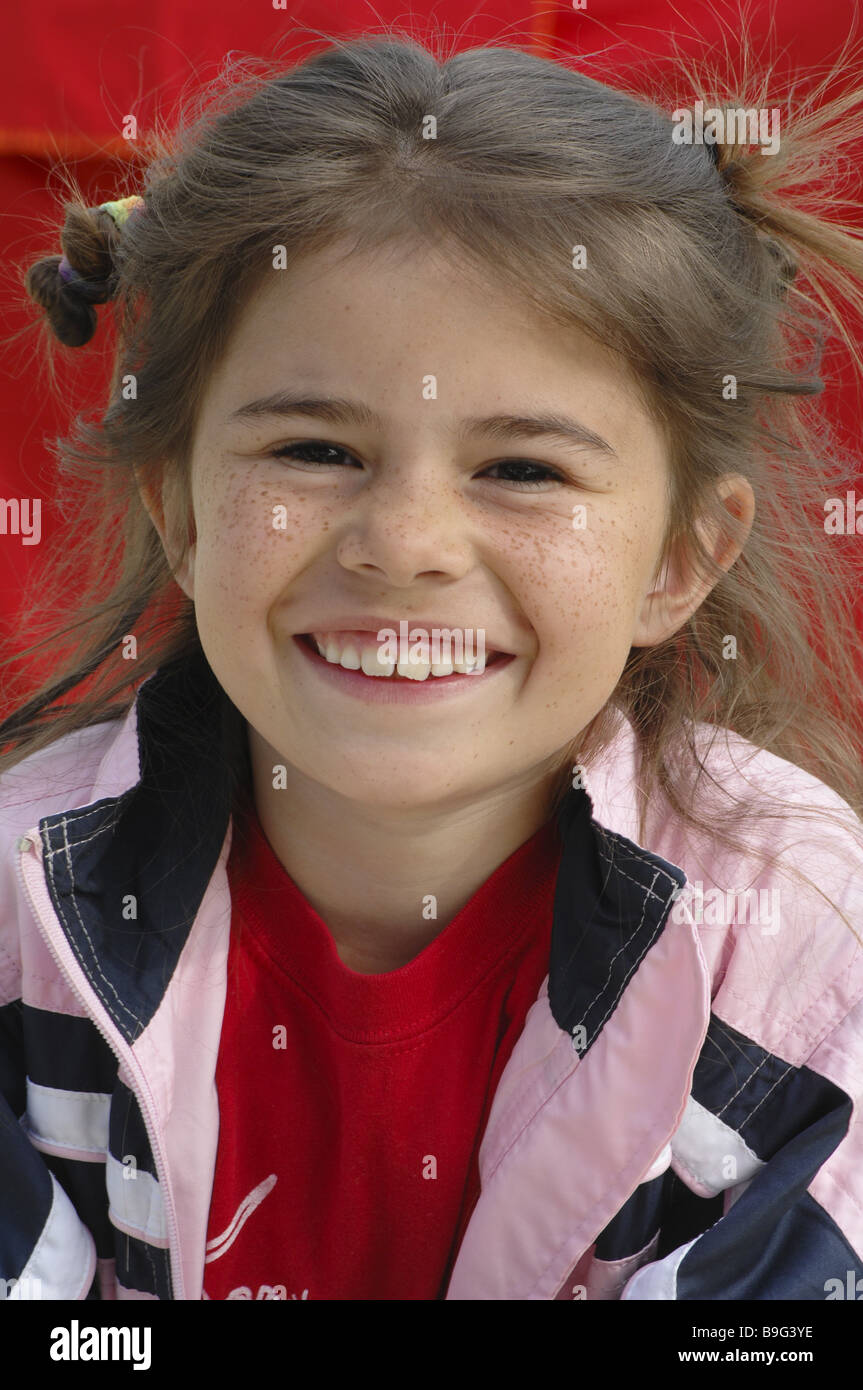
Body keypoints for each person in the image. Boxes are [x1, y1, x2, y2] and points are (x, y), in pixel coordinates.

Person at [2, 31, 862, 1302]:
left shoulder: (794, 950)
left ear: (680, 556)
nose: (403, 546)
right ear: (177, 512)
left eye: (522, 470)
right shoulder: (18, 914)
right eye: (312, 449)